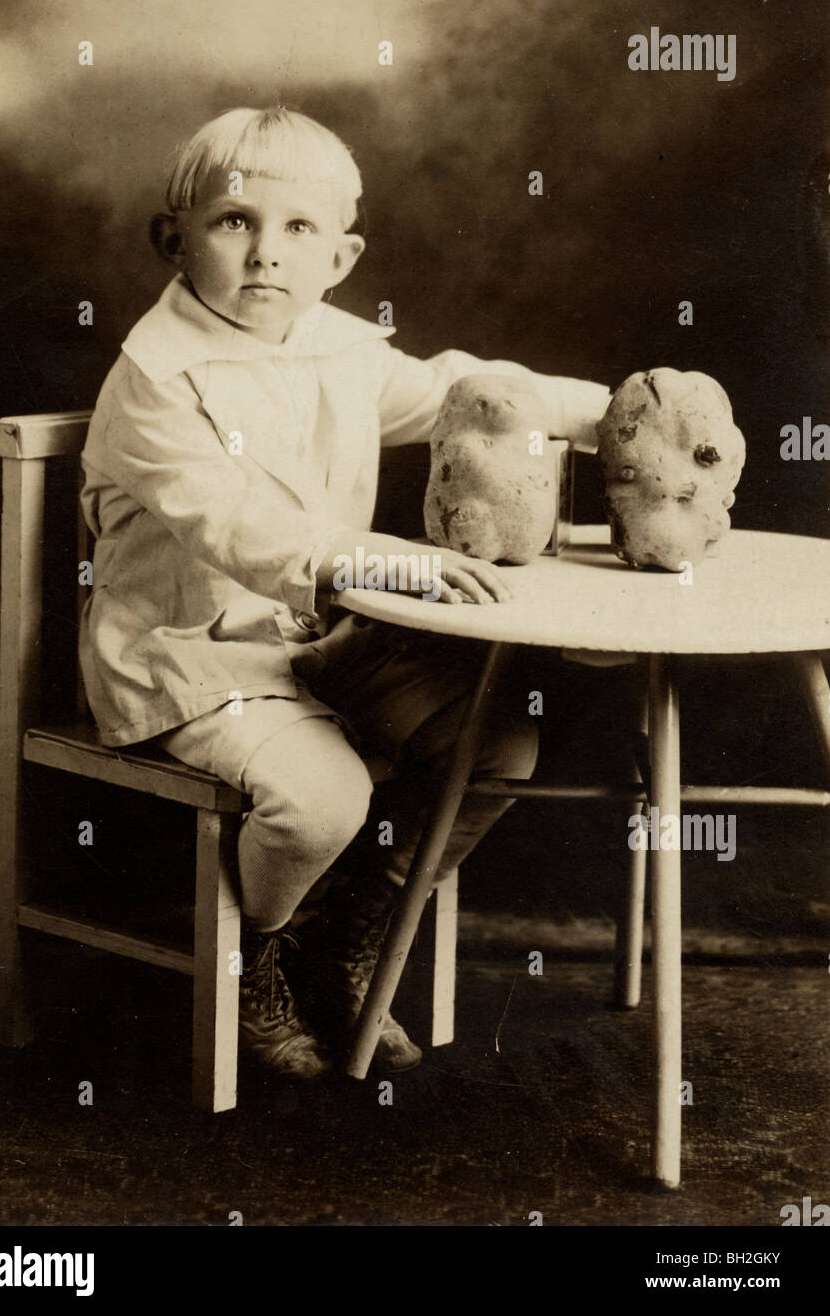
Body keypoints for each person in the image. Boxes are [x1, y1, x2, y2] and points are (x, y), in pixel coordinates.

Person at [79, 105, 611, 1080]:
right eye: (234, 222)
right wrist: (385, 561)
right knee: (326, 798)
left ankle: (352, 937)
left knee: (494, 744)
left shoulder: (331, 345)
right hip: (189, 655)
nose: (264, 255)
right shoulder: (153, 379)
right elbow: (237, 527)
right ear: (173, 238)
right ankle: (262, 951)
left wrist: (612, 413)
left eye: (298, 230)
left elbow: (464, 389)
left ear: (340, 256)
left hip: (312, 648)